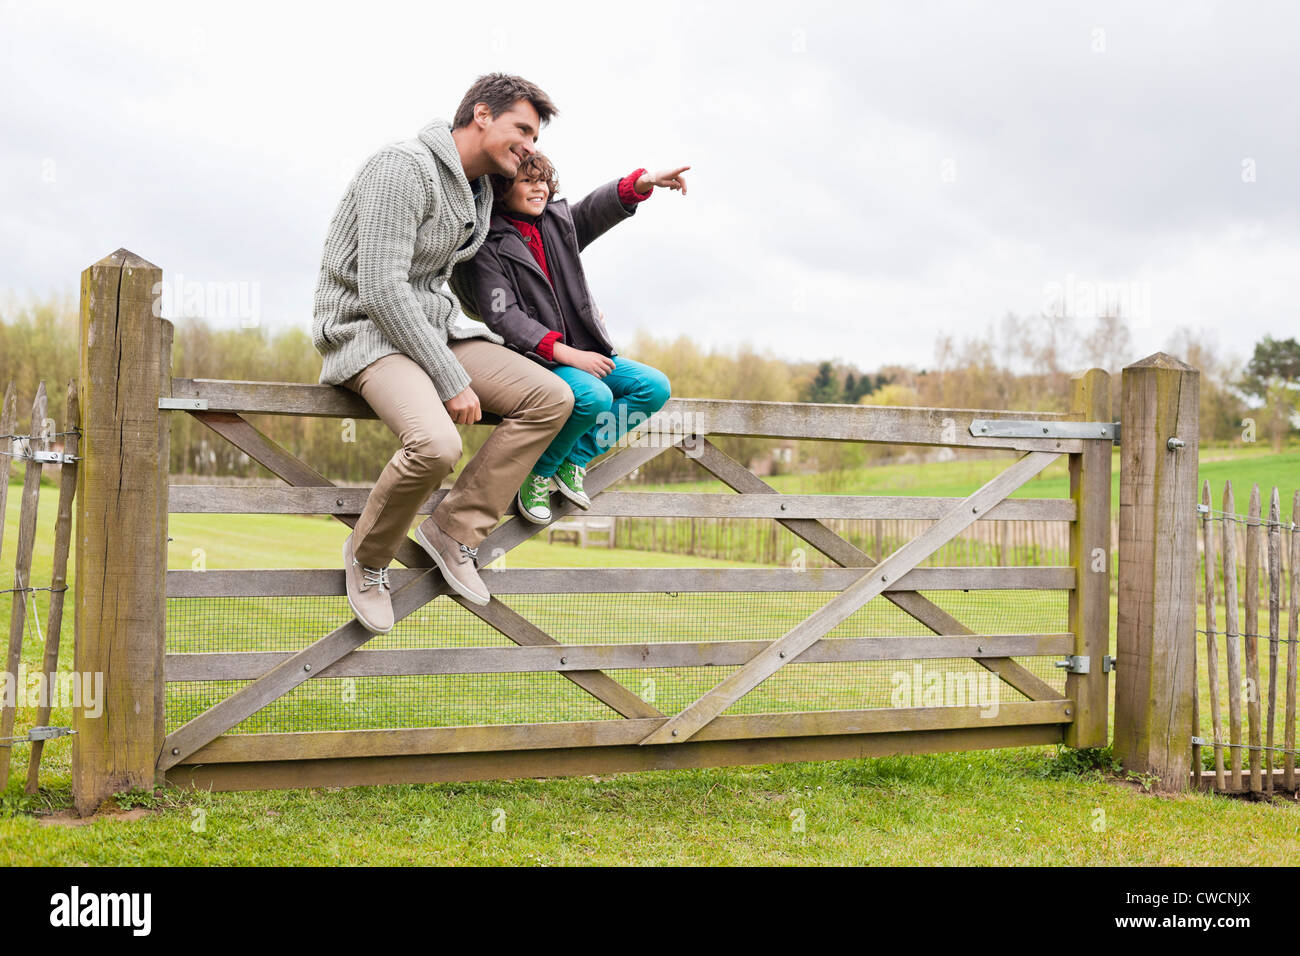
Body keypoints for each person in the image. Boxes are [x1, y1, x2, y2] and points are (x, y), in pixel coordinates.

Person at [311, 73, 575, 635]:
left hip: (434, 329)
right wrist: (450, 375)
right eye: (522, 129)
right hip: (365, 329)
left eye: (535, 136)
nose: (531, 145)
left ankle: (454, 531)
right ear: (482, 114)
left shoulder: (479, 193)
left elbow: (474, 280)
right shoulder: (402, 167)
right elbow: (382, 288)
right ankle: (368, 558)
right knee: (435, 445)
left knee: (552, 396)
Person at [450, 151, 688, 523]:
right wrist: (567, 353)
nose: (539, 188)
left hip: (583, 350)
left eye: (543, 180)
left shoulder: (557, 225)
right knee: (594, 395)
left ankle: (572, 459)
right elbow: (504, 315)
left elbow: (596, 209)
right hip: (534, 358)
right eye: (528, 181)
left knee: (653, 387)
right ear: (502, 186)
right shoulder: (487, 245)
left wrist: (643, 182)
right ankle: (538, 472)